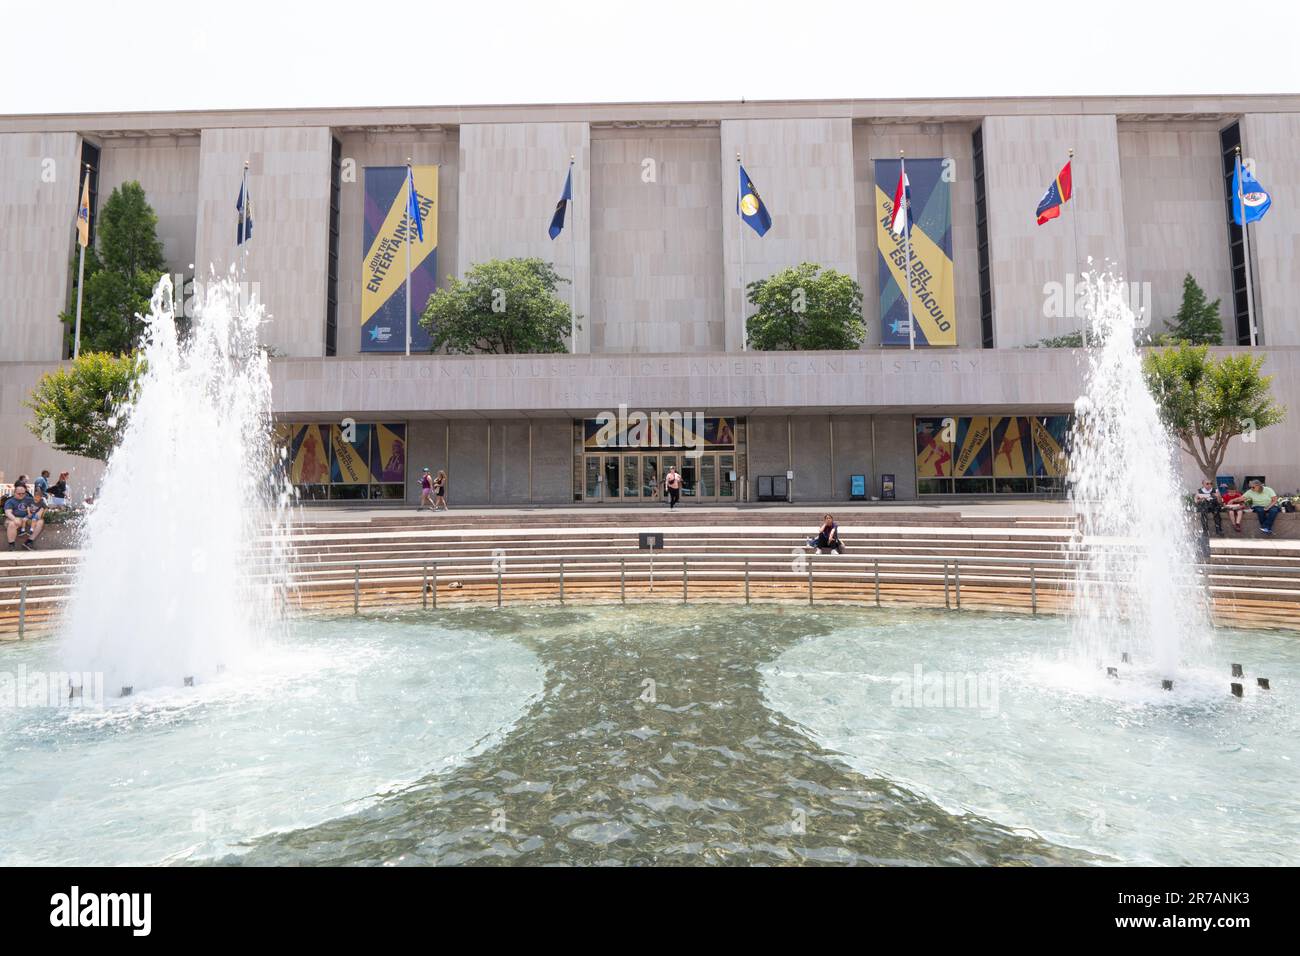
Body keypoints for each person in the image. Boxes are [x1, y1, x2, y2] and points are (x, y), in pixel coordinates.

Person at [4, 482, 43, 551]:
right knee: (12, 524)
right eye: (19, 494)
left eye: (23, 493)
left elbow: (42, 505)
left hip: (27, 518)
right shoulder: (10, 501)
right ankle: (11, 545)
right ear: (14, 493)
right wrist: (14, 519)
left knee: (40, 522)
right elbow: (8, 513)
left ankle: (29, 542)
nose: (21, 495)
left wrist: (39, 513)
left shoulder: (29, 499)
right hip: (15, 518)